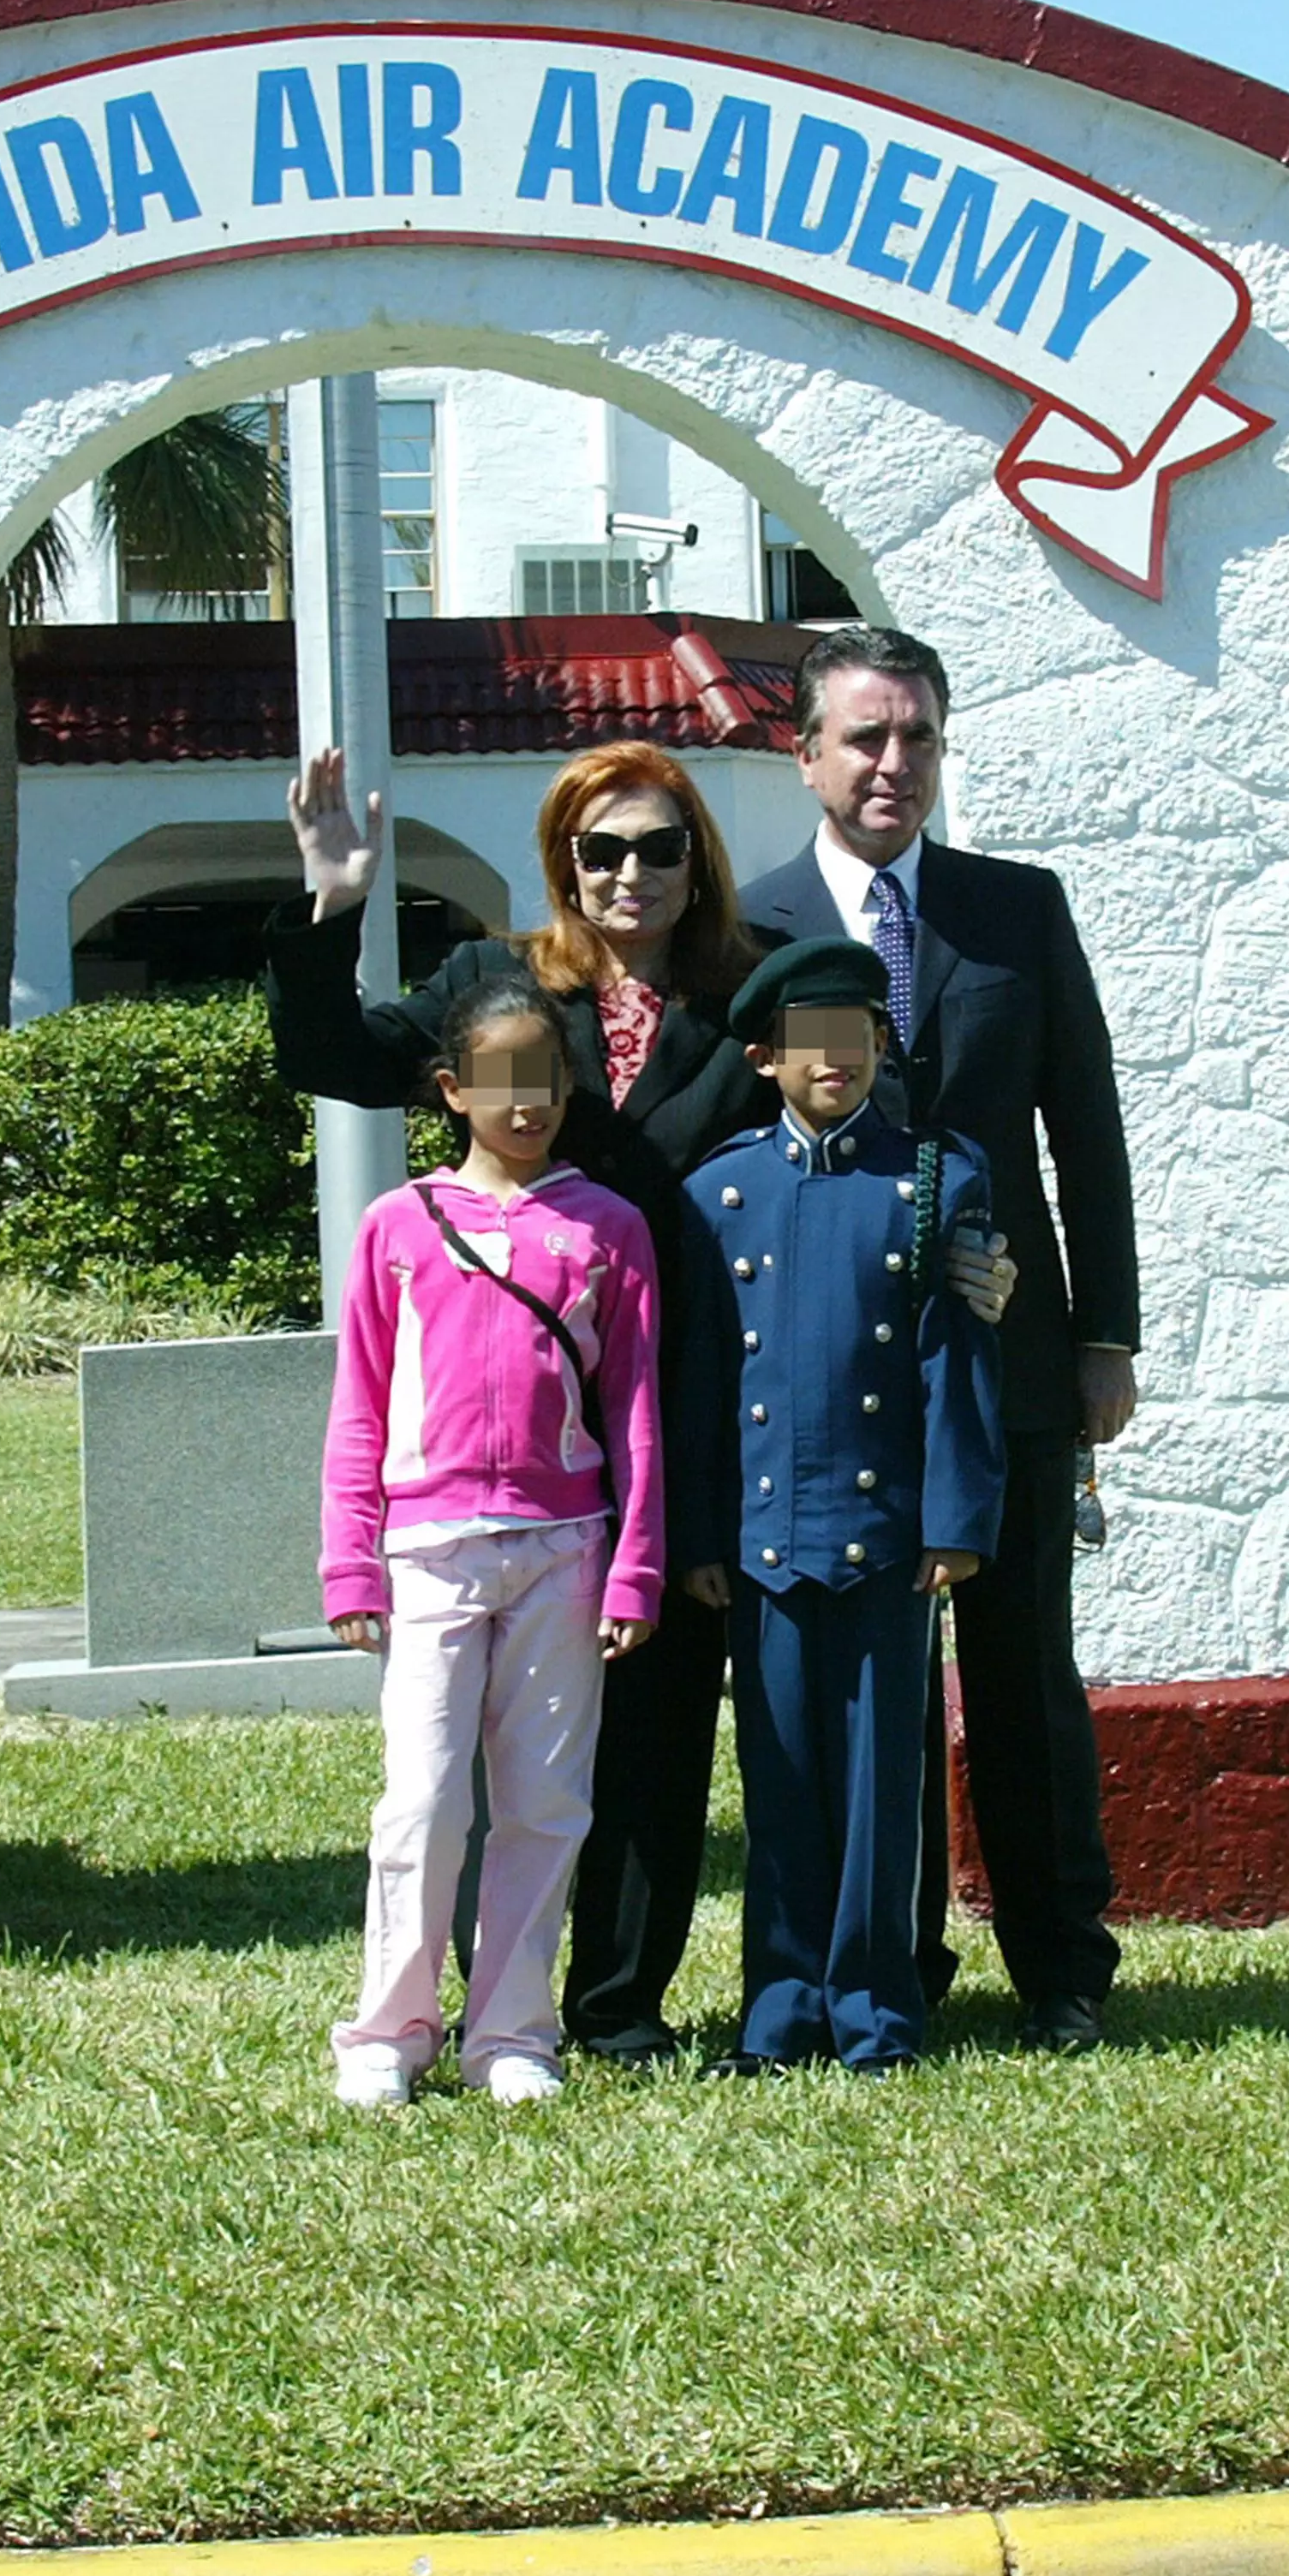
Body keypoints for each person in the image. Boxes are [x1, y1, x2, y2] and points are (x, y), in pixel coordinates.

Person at [270, 735, 1013, 2065]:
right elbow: (328, 1050)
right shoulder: (496, 990)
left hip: (722, 1416)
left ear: (696, 863)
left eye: (660, 847)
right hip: (538, 1431)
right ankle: (526, 2008)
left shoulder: (746, 994)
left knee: (676, 1726)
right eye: (599, 848)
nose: (629, 874)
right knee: (550, 1751)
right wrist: (333, 902)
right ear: (564, 862)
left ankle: (647, 2005)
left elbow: (880, 1147)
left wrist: (977, 1253)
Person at [740, 623, 1139, 2052]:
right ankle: (887, 1966)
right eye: (864, 738)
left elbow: (1084, 1133)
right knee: (870, 1690)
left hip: (1011, 1361)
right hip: (835, 1379)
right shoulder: (753, 922)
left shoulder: (1015, 910)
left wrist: (1107, 1334)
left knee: (1024, 1668)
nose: (893, 764)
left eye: (916, 736)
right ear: (808, 755)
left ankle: (1061, 1968)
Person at [320, 974, 662, 2109]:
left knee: (544, 1802)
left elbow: (636, 1411)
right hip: (427, 1551)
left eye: (546, 1080)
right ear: (454, 1091)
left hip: (564, 1548)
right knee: (422, 1797)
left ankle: (512, 2029)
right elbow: (360, 1406)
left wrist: (636, 1563)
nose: (526, 1105)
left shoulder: (608, 1228)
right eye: (500, 1082)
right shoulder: (398, 1227)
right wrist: (349, 1558)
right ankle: (390, 2027)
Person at [674, 940, 1005, 2074]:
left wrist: (957, 1519)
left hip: (887, 1536)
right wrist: (704, 1530)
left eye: (855, 1037)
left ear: (878, 1049)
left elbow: (951, 1363)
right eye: (811, 1042)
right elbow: (705, 1387)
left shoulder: (935, 1181)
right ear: (765, 1057)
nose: (835, 1061)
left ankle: (877, 2012)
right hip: (764, 1538)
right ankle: (782, 2014)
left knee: (879, 1792)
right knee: (779, 1786)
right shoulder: (719, 1193)